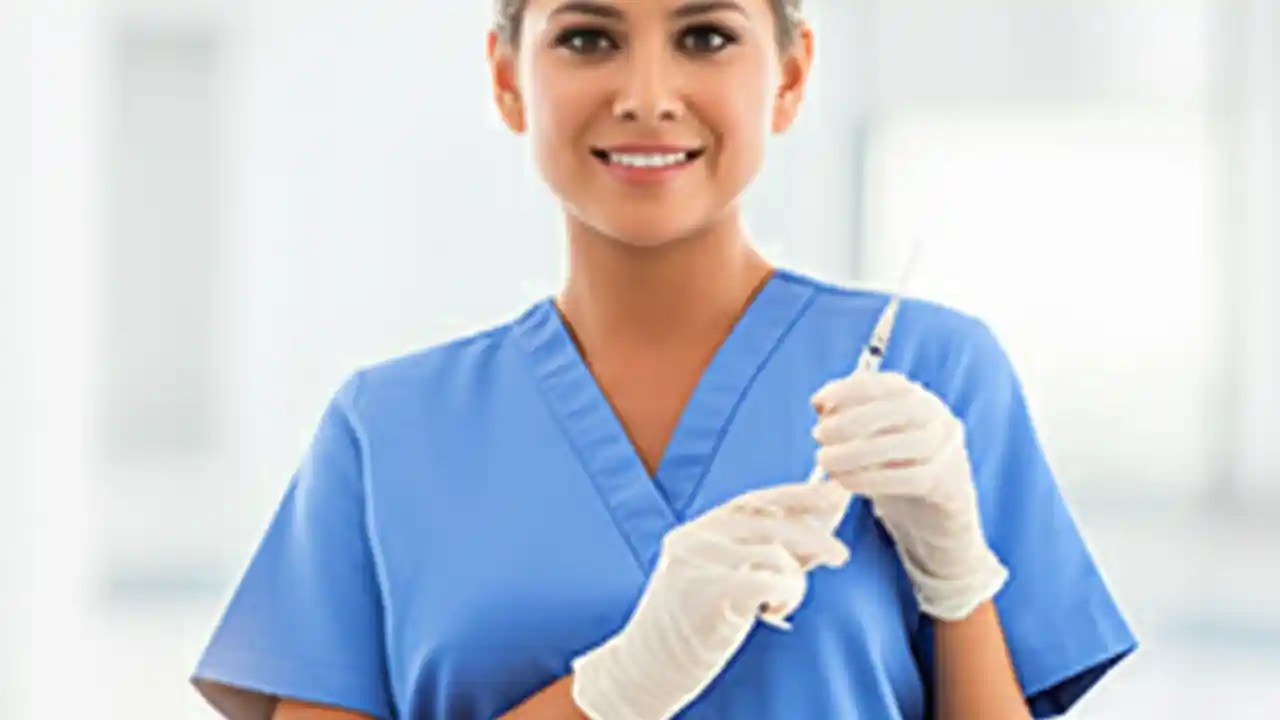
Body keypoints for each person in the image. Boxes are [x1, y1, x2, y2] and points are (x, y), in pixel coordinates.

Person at [191, 0, 1137, 718]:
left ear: (791, 75)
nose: (647, 96)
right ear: (508, 78)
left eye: (706, 36)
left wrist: (959, 580)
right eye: (587, 38)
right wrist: (613, 690)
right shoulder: (388, 432)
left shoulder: (930, 377)